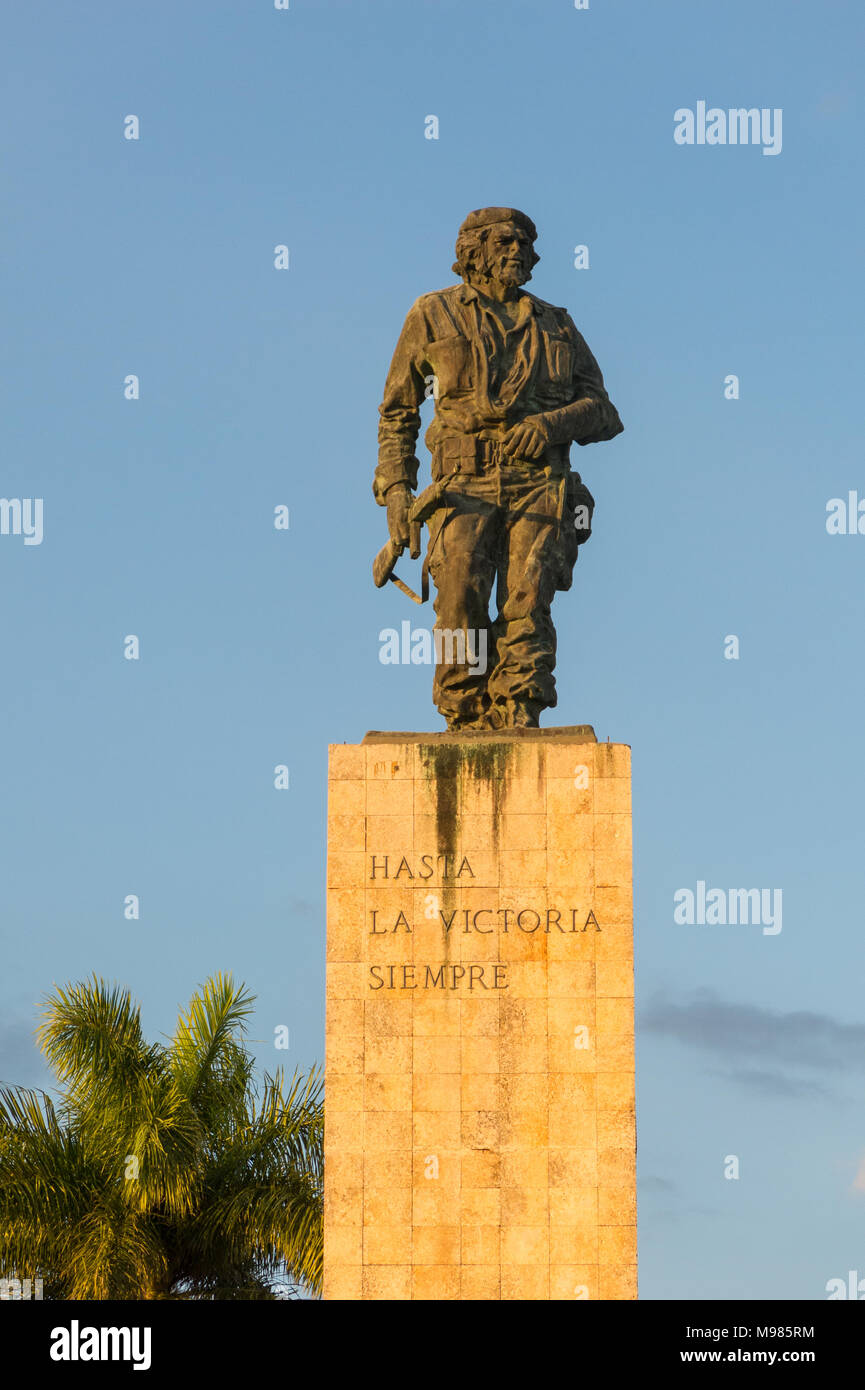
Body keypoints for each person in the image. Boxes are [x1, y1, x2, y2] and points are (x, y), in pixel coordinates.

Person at [374, 207, 623, 729]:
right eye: (505, 242)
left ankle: (519, 712)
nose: (518, 252)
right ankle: (464, 715)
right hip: (462, 485)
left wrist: (552, 425)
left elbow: (603, 411)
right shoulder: (432, 315)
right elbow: (398, 411)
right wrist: (398, 490)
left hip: (538, 483)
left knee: (527, 600)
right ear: (472, 252)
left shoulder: (556, 323)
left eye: (525, 244)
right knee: (459, 594)